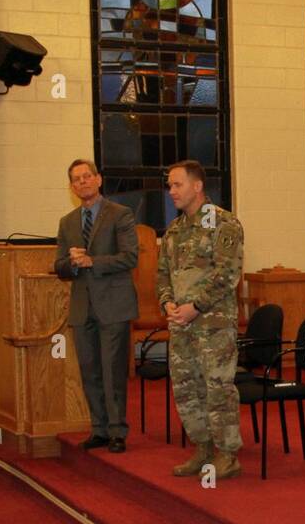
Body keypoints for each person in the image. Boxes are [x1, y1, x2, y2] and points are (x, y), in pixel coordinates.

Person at [157, 160, 245, 480]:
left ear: (197, 187)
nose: (171, 192)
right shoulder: (174, 231)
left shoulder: (224, 223)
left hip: (213, 323)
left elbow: (227, 274)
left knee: (217, 387)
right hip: (181, 323)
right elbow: (162, 274)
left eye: (176, 185)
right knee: (187, 388)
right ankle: (203, 448)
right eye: (169, 185)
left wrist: (196, 305)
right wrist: (167, 302)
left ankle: (228, 454)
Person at [53, 159, 139, 454]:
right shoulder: (68, 222)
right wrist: (73, 263)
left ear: (98, 180)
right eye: (76, 179)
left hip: (113, 304)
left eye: (87, 176)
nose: (82, 182)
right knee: (89, 370)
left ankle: (117, 430)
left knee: (112, 369)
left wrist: (93, 261)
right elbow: (60, 266)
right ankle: (99, 428)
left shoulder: (120, 215)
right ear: (72, 187)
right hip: (81, 307)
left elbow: (130, 257)